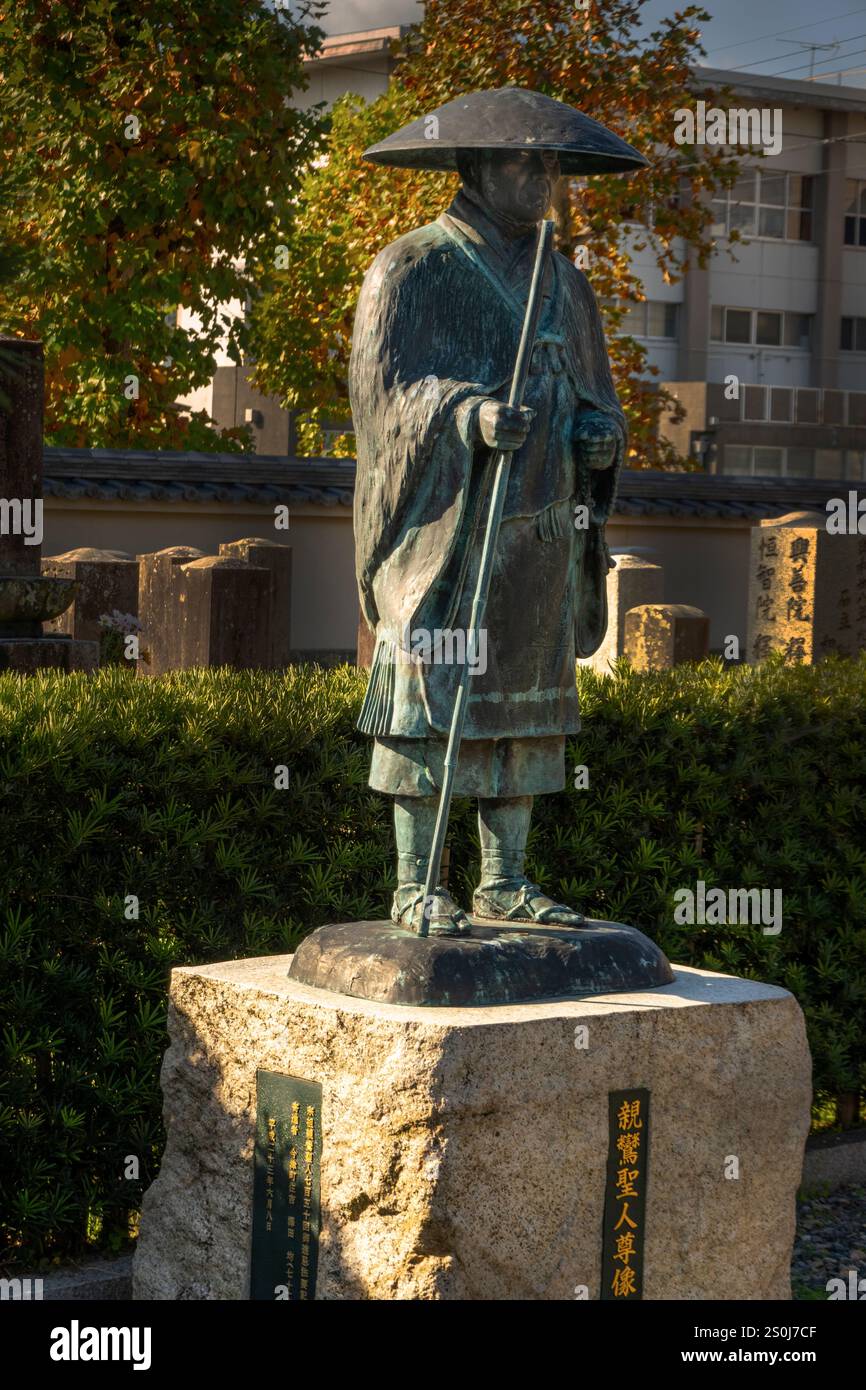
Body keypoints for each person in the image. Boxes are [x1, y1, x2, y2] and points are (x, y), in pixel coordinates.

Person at [349, 88, 645, 934]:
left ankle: (505, 880)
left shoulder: (566, 283)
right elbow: (383, 400)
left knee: (521, 701)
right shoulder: (410, 268)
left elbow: (600, 399)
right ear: (477, 166)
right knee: (432, 698)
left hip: (541, 524)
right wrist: (464, 415)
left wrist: (598, 438)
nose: (547, 180)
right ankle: (416, 884)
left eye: (554, 165)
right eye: (529, 162)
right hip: (446, 528)